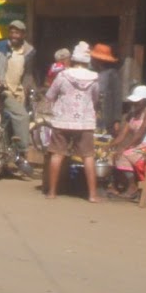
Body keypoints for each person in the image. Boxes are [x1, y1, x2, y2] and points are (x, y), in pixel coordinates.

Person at [45, 41, 101, 202]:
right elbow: (95, 98)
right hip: (85, 122)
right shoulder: (94, 78)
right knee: (88, 156)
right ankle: (92, 195)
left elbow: (50, 95)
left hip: (62, 121)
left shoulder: (63, 75)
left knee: (57, 154)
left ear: (74, 59)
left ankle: (52, 192)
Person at [0, 19, 35, 178]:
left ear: (23, 34)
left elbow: (28, 73)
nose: (14, 35)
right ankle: (22, 154)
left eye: (17, 32)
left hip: (20, 93)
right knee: (21, 117)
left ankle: (3, 165)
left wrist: (30, 90)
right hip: (3, 91)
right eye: (12, 32)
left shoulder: (29, 51)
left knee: (8, 129)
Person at [110, 84, 146, 199]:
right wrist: (110, 146)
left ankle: (132, 186)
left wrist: (125, 147)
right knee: (110, 155)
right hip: (135, 144)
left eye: (138, 102)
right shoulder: (131, 115)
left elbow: (140, 134)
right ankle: (116, 184)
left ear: (145, 101)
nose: (134, 104)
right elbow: (122, 135)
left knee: (124, 155)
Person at [91, 43, 123, 138]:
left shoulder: (112, 74)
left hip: (106, 114)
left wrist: (117, 120)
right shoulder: (92, 73)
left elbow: (117, 97)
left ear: (98, 61)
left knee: (103, 140)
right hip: (92, 115)